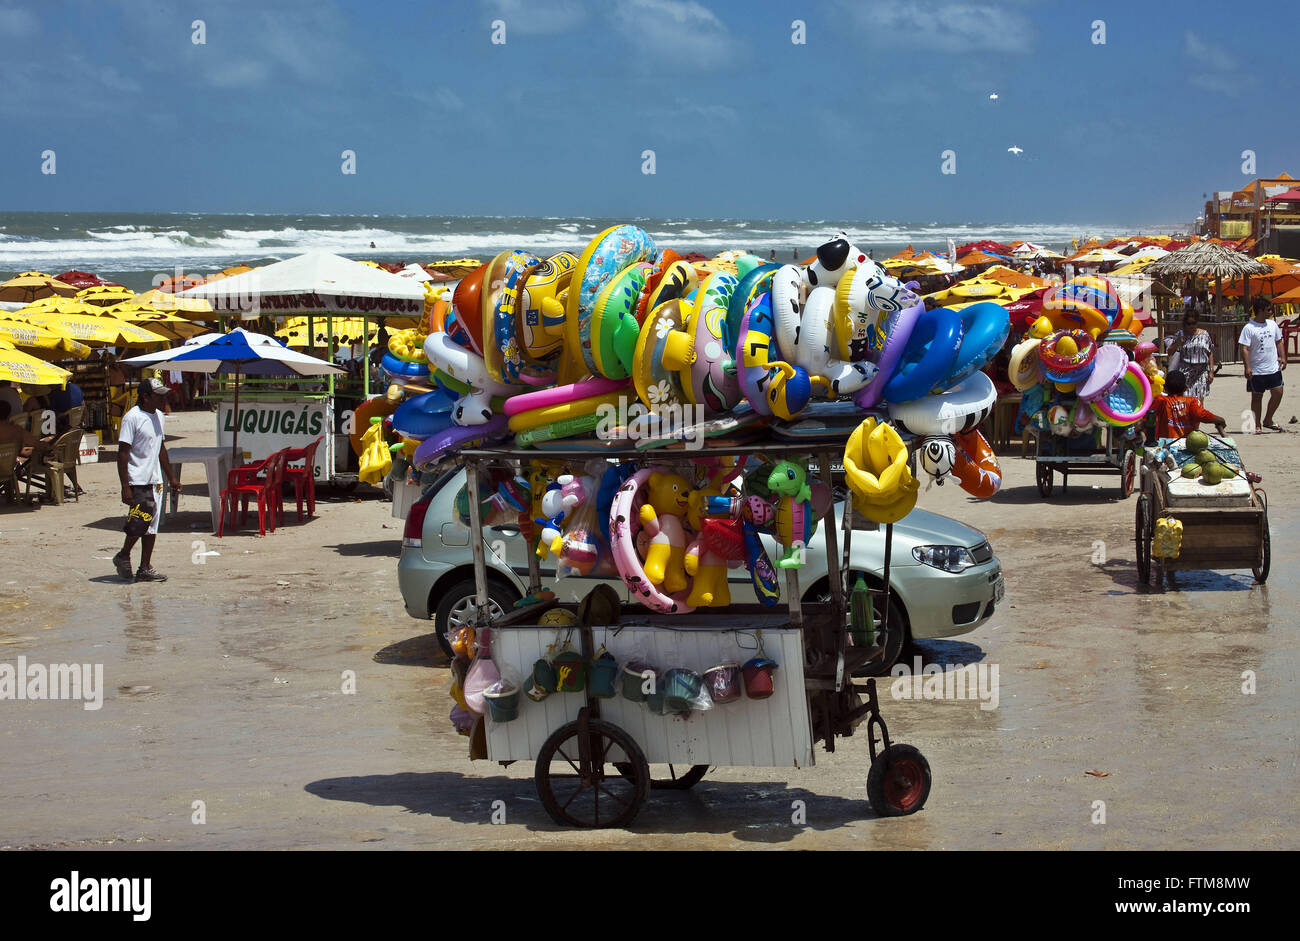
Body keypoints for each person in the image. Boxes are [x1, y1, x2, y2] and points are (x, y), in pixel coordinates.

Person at [113, 378, 181, 582]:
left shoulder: (159, 416)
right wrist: (125, 486)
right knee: (138, 523)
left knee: (152, 525)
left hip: (156, 479)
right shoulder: (132, 418)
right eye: (158, 395)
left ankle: (145, 566)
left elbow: (160, 448)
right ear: (146, 397)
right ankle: (124, 554)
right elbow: (123, 453)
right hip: (138, 478)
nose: (163, 398)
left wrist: (172, 477)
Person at [1240, 298, 1286, 433]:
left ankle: (1268, 419)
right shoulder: (1249, 328)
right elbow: (1244, 349)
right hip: (1257, 370)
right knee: (1257, 397)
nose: (1271, 312)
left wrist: (1283, 357)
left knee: (1278, 392)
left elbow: (1279, 341)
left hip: (1273, 368)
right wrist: (1247, 367)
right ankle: (1257, 424)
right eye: (1269, 309)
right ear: (1260, 311)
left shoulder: (1272, 324)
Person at [1146, 370, 1226, 441]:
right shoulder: (1192, 402)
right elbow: (1201, 414)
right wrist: (1219, 419)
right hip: (1188, 445)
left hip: (1166, 445)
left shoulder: (1161, 400)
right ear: (1185, 388)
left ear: (1165, 388)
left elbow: (1147, 418)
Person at [1164, 312, 1215, 401]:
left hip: (1201, 372)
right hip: (1186, 372)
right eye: (1189, 324)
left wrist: (1211, 371)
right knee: (1186, 400)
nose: (1192, 326)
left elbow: (1210, 352)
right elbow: (1170, 352)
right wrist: (1179, 342)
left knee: (1199, 401)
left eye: (1194, 323)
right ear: (1185, 324)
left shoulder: (1205, 335)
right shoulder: (1181, 334)